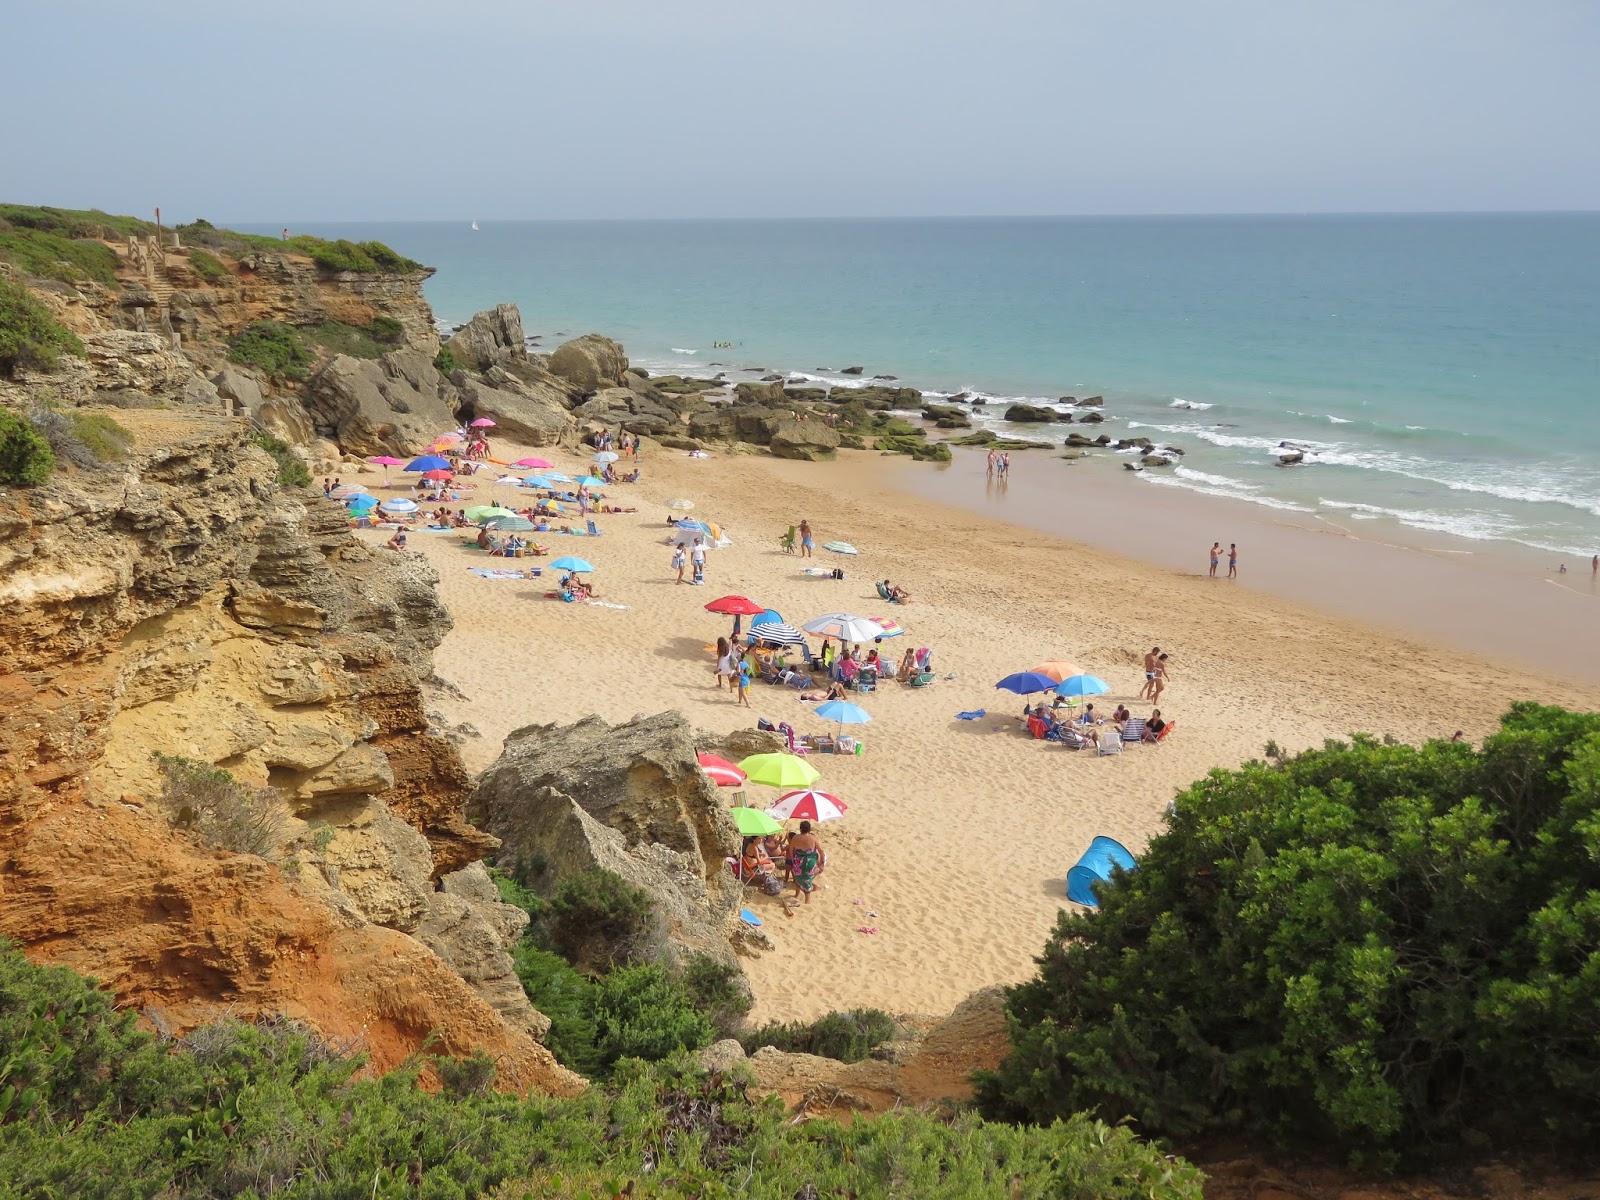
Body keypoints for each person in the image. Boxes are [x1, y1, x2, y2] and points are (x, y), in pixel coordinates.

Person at [788, 820, 823, 905]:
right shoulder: (813, 838)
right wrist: (821, 862)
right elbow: (821, 851)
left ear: (800, 829)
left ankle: (797, 895)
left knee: (798, 877)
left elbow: (791, 849)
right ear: (809, 829)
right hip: (809, 862)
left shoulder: (795, 838)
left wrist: (793, 859)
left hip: (798, 861)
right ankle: (807, 900)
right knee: (807, 879)